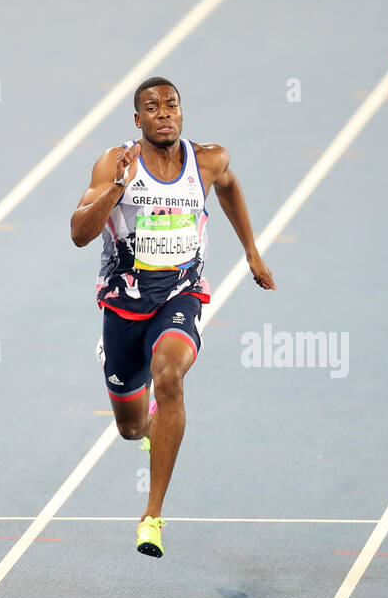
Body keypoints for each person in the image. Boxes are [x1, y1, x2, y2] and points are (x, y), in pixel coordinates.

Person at [69, 77, 274, 557]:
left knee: (171, 374)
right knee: (130, 428)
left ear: (182, 113)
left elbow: (228, 186)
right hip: (123, 304)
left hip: (181, 296)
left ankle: (152, 516)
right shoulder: (115, 164)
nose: (164, 113)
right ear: (137, 121)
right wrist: (116, 189)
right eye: (152, 108)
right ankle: (148, 420)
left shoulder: (207, 160)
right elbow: (79, 233)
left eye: (172, 105)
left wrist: (252, 252)